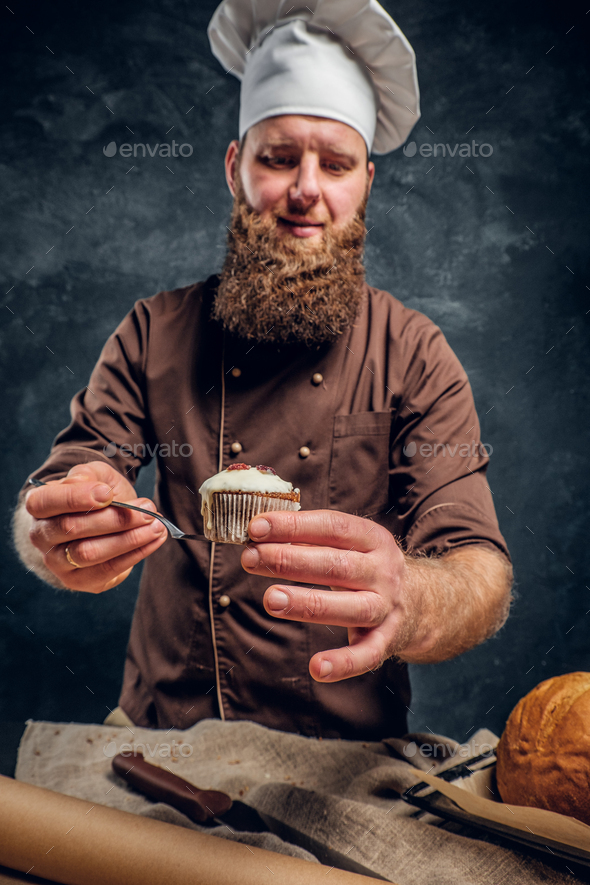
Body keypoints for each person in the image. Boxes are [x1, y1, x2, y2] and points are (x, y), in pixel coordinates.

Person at [12, 0, 513, 741]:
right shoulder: (156, 331)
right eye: (279, 157)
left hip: (349, 760)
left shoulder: (413, 352)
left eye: (335, 163)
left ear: (366, 183)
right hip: (162, 741)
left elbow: (479, 567)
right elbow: (62, 487)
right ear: (234, 167)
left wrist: (414, 593)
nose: (306, 189)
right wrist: (55, 534)